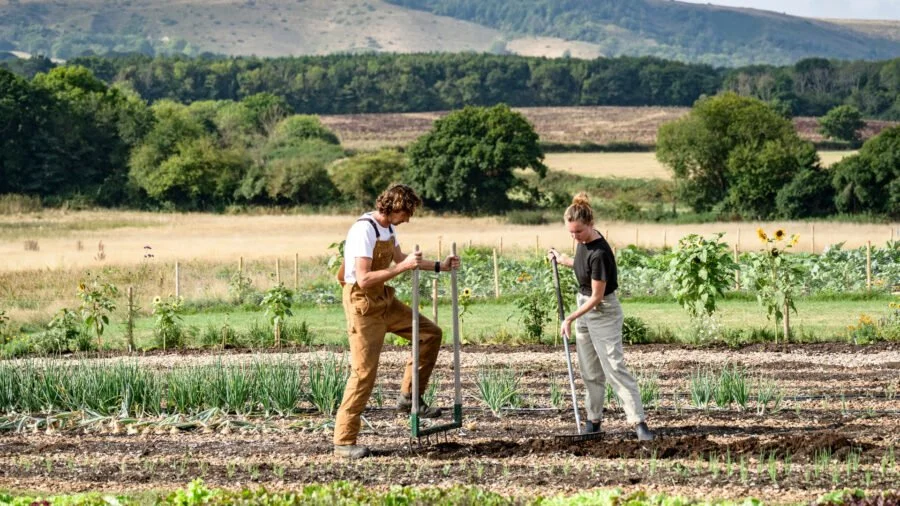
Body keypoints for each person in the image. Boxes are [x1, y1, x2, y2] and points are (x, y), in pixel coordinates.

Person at [334, 184, 461, 459]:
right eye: (406, 211)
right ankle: (344, 441)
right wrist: (402, 268)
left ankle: (409, 398)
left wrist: (440, 266)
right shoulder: (363, 230)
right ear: (392, 208)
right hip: (362, 304)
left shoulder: (387, 229)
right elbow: (364, 277)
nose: (408, 218)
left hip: (383, 300)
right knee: (363, 373)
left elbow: (402, 259)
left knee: (430, 333)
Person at [548, 193, 654, 441]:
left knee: (614, 367)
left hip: (602, 310)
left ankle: (639, 423)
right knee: (590, 371)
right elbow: (579, 264)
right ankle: (593, 421)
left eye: (579, 232)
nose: (575, 237)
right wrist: (561, 258)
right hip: (583, 307)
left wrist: (570, 318)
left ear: (590, 224)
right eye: (571, 233)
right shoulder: (582, 244)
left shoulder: (600, 252)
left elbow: (597, 296)